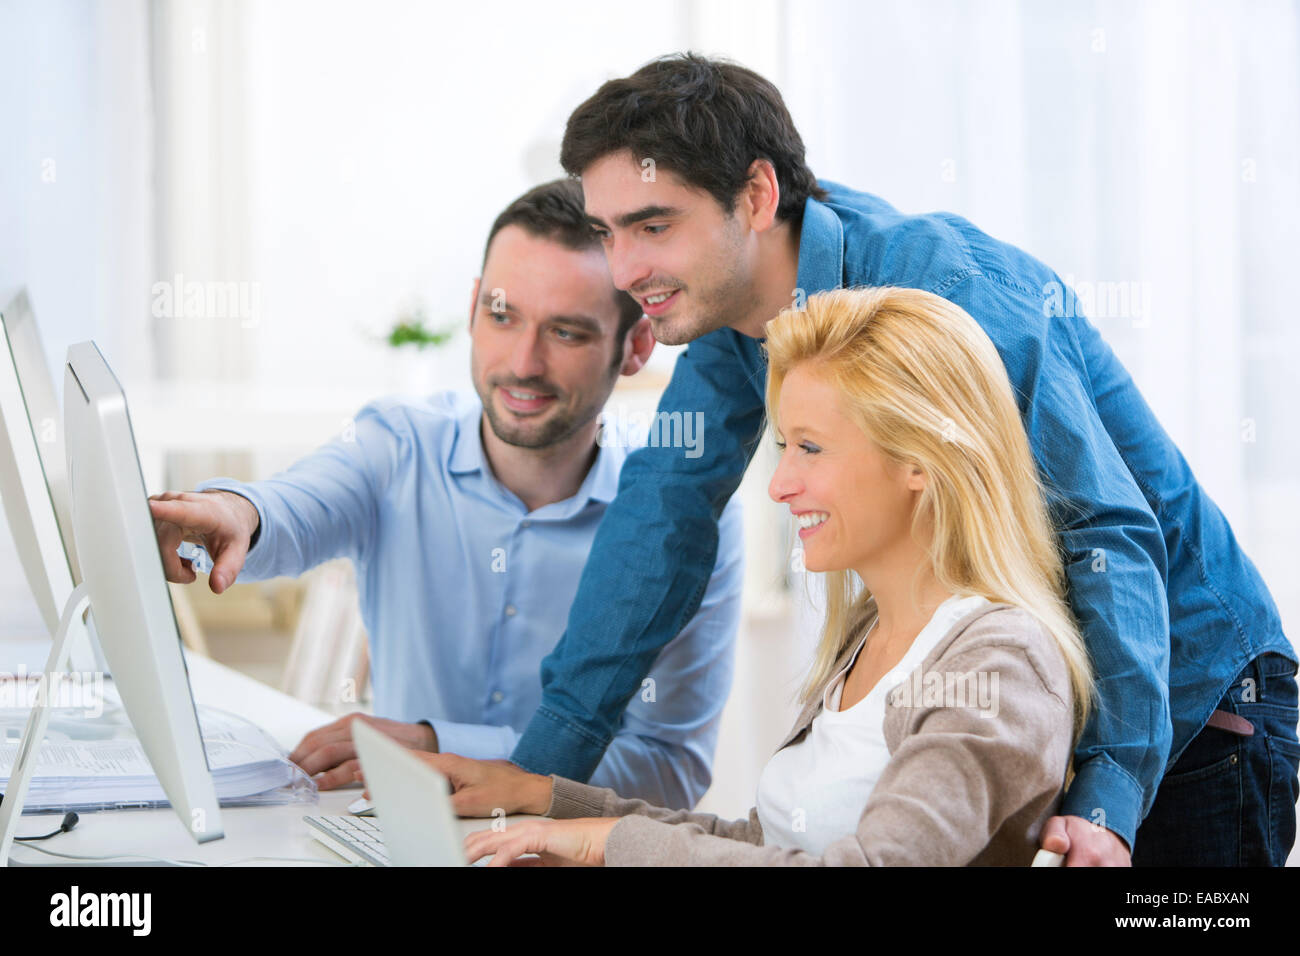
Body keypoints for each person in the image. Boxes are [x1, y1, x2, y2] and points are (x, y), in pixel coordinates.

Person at [505, 53, 1299, 866]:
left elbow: (1104, 528)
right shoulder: (744, 305)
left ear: (755, 197)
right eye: (608, 232)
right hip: (1050, 710)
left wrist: (1107, 793)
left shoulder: (947, 290)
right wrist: (526, 784)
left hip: (1193, 698)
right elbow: (659, 518)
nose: (625, 270)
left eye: (653, 225)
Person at [401, 287, 1093, 866]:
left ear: (922, 459)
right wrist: (545, 800)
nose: (781, 485)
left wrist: (611, 844)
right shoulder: (869, 638)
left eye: (811, 449)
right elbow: (767, 847)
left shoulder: (999, 661)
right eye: (784, 447)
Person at [148, 178, 745, 809]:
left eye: (567, 332)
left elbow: (670, 771)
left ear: (636, 347)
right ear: (470, 311)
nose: (523, 362)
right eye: (501, 315)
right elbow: (291, 507)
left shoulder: (688, 516)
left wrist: (437, 743)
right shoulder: (399, 447)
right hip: (394, 837)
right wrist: (233, 512)